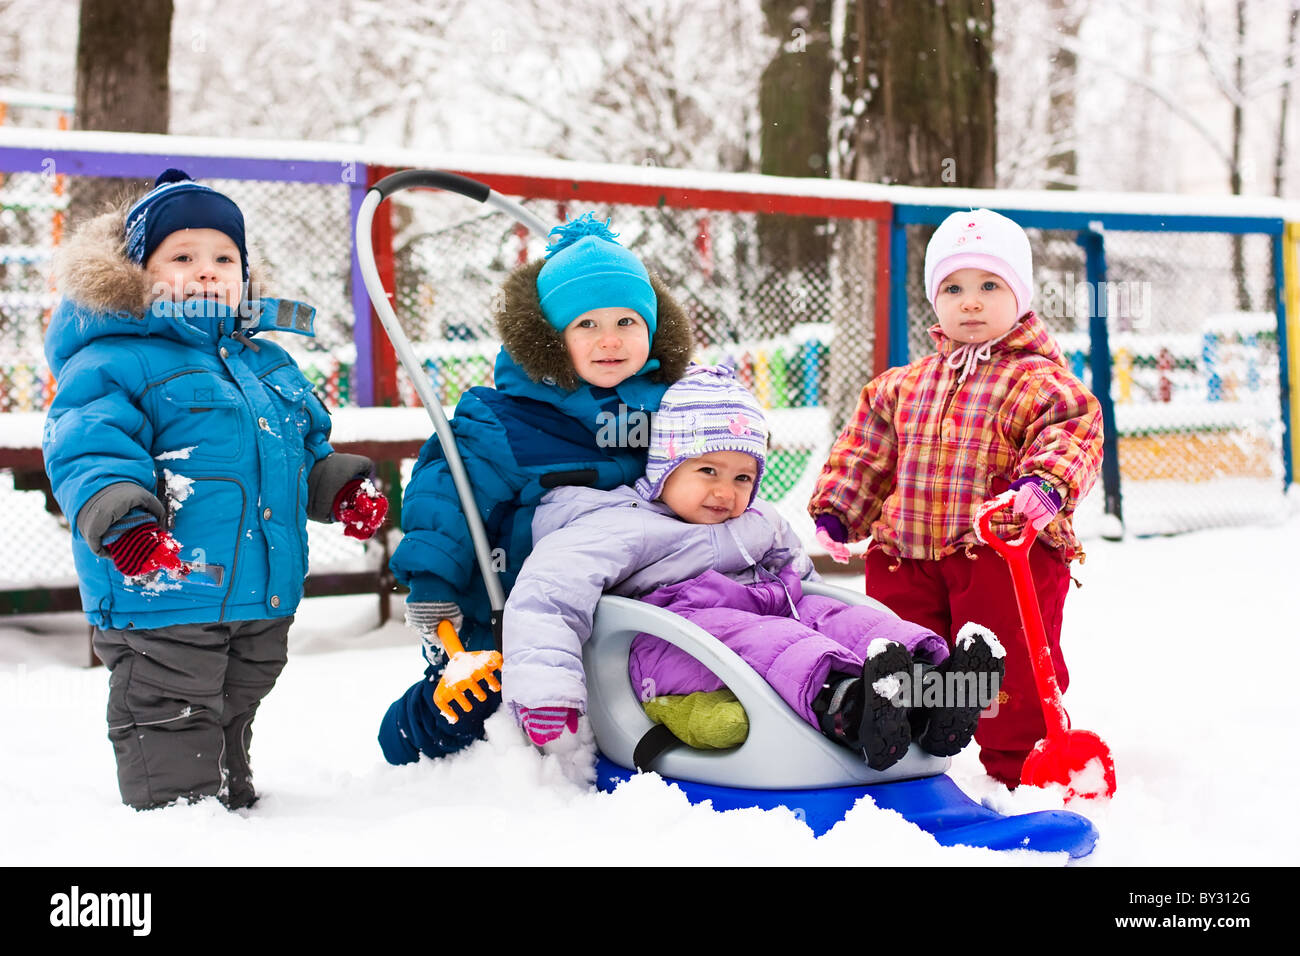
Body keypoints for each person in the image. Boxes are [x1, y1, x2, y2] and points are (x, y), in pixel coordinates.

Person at [42, 169, 388, 810]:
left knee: (236, 700)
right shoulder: (114, 360)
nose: (207, 271)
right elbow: (88, 449)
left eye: (223, 257)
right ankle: (177, 828)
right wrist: (126, 525)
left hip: (260, 592)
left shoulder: (268, 363)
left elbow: (303, 450)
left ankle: (229, 803)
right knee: (169, 710)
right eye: (183, 256)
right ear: (138, 273)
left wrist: (337, 489)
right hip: (162, 586)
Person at [502, 366, 1006, 770]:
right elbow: (548, 593)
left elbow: (801, 578)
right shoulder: (623, 525)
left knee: (841, 617)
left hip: (768, 615)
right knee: (769, 640)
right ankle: (850, 708)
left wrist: (825, 612)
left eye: (744, 476)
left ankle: (933, 688)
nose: (727, 491)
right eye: (707, 471)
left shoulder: (760, 519)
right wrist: (547, 693)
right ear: (664, 468)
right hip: (679, 643)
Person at [379, 213, 694, 764]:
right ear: (553, 339)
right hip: (516, 608)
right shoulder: (508, 422)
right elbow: (447, 490)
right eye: (586, 325)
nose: (611, 340)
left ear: (653, 331)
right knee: (482, 699)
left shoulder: (676, 409)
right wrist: (432, 580)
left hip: (630, 600)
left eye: (627, 322)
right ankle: (419, 724)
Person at [808, 208, 1104, 788]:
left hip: (999, 558)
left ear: (1019, 295)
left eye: (989, 285)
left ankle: (1021, 769)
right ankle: (908, 758)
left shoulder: (1042, 382)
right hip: (906, 557)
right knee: (905, 658)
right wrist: (838, 512)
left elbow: (1072, 433)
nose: (970, 302)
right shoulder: (901, 385)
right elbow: (867, 452)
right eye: (953, 287)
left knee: (1007, 669)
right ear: (933, 298)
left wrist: (1044, 487)